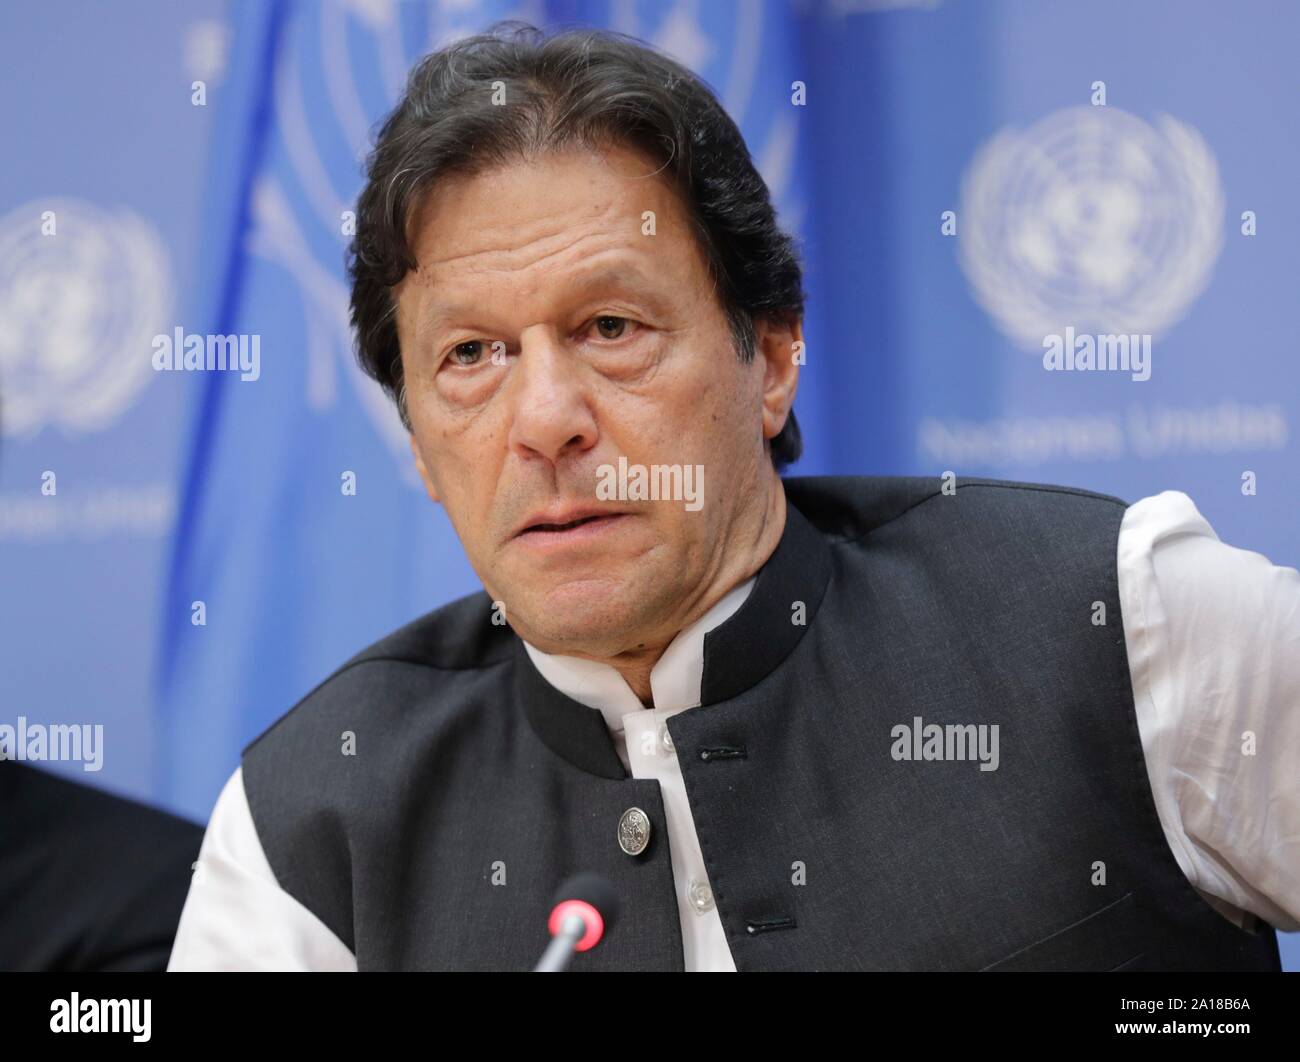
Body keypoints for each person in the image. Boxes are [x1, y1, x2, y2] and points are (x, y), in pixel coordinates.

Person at [167, 22, 1298, 972]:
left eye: (610, 329)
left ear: (771, 353)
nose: (544, 419)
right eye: (470, 356)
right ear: (413, 438)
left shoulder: (1109, 622)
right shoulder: (308, 826)